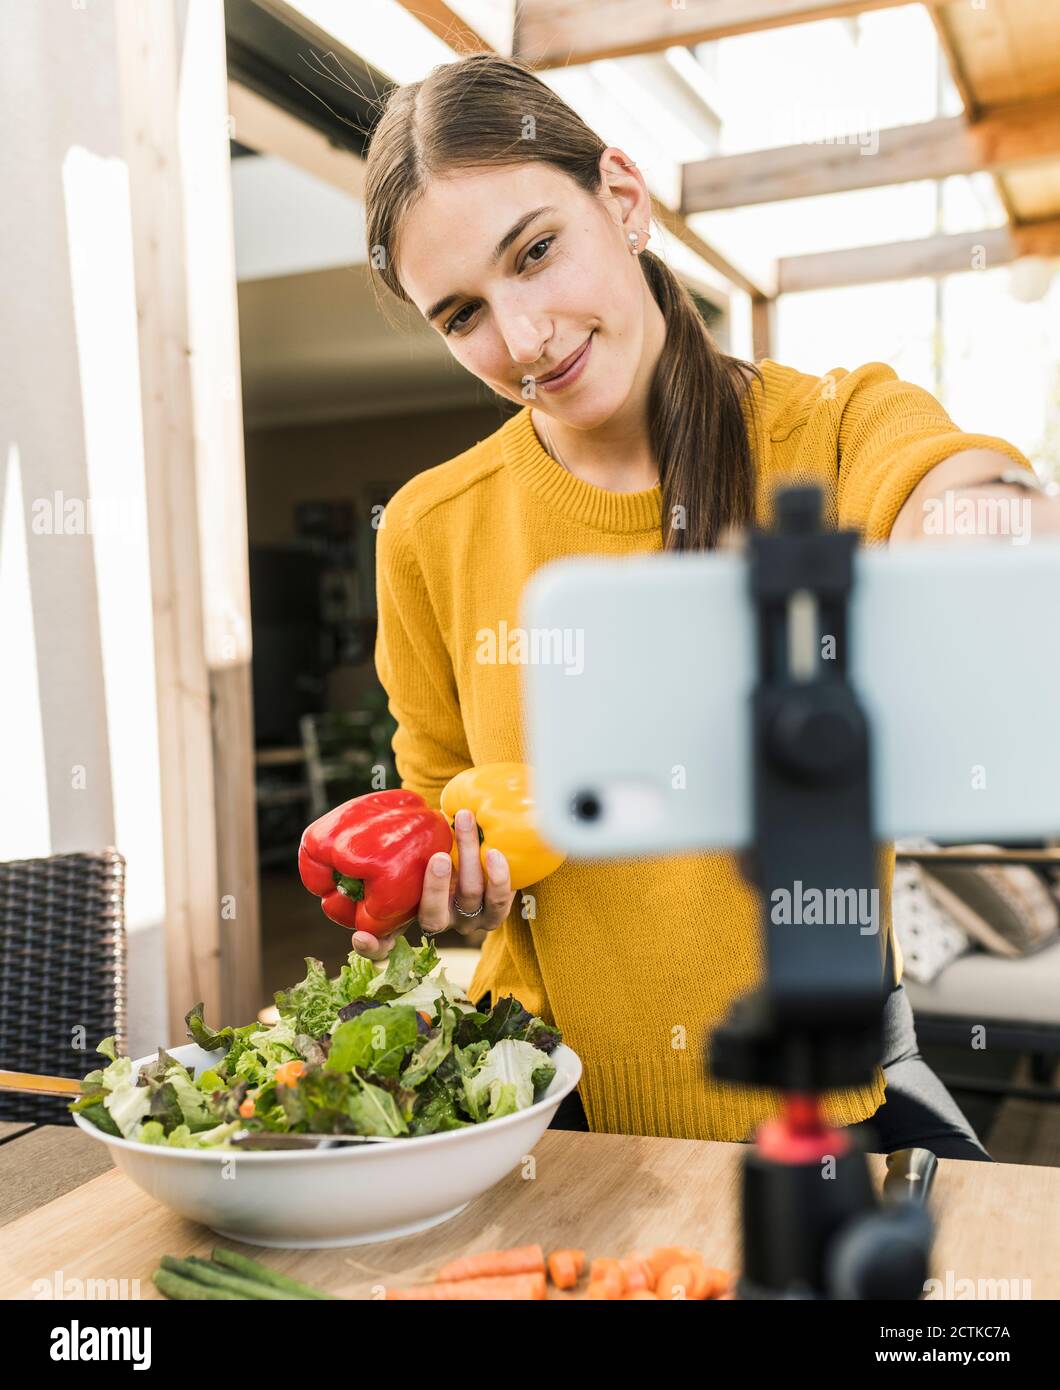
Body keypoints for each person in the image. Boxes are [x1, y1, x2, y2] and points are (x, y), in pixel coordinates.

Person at [352, 52, 1060, 1159]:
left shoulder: (829, 427)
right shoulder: (429, 529)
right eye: (464, 314)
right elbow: (438, 793)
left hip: (834, 1109)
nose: (526, 337)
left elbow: (958, 487)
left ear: (621, 200)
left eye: (536, 251)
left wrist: (988, 547)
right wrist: (457, 894)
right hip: (548, 1123)